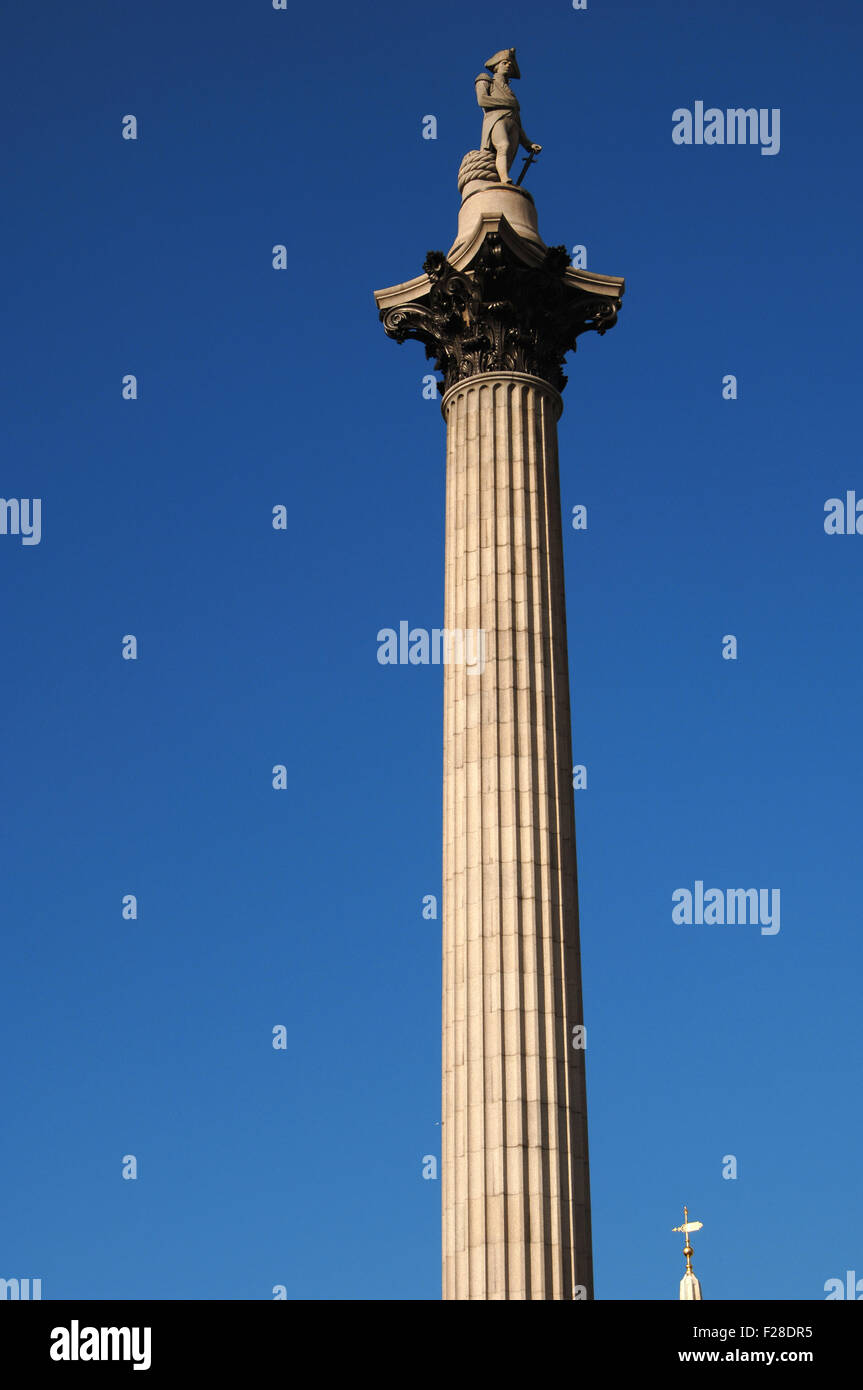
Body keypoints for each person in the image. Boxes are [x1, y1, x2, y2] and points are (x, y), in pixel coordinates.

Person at [475, 48, 542, 185]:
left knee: (508, 158)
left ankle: (500, 181)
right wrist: (509, 103)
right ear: (496, 65)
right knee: (503, 146)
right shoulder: (486, 80)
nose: (508, 66)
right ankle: (504, 178)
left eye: (510, 65)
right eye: (505, 63)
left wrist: (528, 144)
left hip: (513, 125)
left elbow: (518, 121)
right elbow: (482, 100)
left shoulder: (510, 92)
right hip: (496, 119)